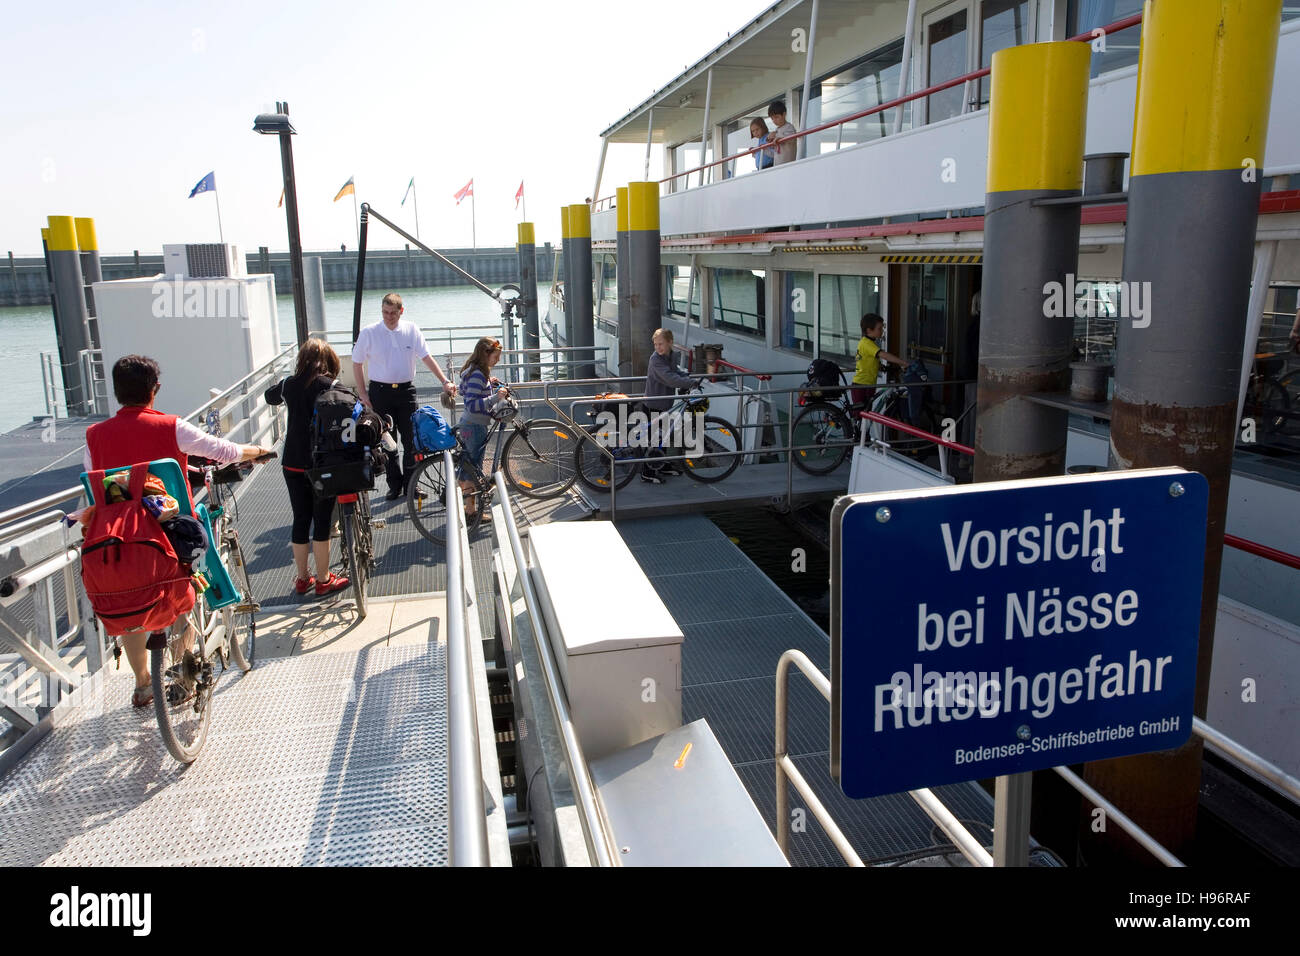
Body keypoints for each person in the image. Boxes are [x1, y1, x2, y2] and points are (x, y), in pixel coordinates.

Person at [84, 355, 272, 709]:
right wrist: (258, 450)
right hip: (171, 534)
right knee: (189, 578)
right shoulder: (170, 426)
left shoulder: (94, 437)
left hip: (122, 540)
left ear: (117, 392)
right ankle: (183, 668)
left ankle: (143, 684)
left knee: (132, 602)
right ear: (154, 391)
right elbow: (222, 451)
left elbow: (99, 481)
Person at [264, 339, 350, 599]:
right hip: (320, 461)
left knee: (300, 518)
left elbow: (270, 397)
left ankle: (303, 579)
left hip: (291, 460)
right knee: (322, 520)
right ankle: (324, 579)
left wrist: (287, 383)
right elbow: (350, 403)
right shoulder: (329, 385)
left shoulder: (289, 385)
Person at [352, 292, 456, 500]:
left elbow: (426, 357)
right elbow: (357, 362)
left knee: (411, 441)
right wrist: (362, 393)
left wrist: (444, 381)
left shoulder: (411, 329)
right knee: (388, 441)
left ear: (401, 311)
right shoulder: (369, 332)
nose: (389, 317)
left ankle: (411, 485)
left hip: (406, 391)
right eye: (385, 312)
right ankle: (394, 484)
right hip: (379, 392)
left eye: (393, 313)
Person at [457, 338, 510, 520]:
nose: (497, 361)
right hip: (475, 425)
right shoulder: (478, 374)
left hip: (469, 424)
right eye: (495, 357)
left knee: (467, 466)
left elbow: (465, 391)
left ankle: (462, 504)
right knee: (473, 467)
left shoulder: (476, 372)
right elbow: (472, 404)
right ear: (485, 354)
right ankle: (470, 511)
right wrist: (495, 397)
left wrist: (489, 384)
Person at [642, 328, 697, 485]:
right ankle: (647, 473)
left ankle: (663, 464)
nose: (658, 347)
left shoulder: (671, 356)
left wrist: (687, 376)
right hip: (654, 404)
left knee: (664, 437)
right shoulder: (655, 360)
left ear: (670, 343)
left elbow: (675, 371)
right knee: (654, 439)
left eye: (661, 344)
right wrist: (690, 382)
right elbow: (669, 378)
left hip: (665, 404)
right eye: (655, 344)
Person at [851, 313, 909, 407]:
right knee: (861, 416)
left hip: (868, 384)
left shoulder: (868, 342)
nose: (882, 331)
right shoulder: (866, 343)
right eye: (879, 328)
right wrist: (904, 363)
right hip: (862, 385)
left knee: (867, 413)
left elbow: (869, 360)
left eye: (882, 328)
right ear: (869, 330)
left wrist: (882, 367)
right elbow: (884, 355)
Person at [768, 100, 798, 166]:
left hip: (788, 164)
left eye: (776, 117)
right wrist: (770, 141)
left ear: (784, 114)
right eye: (772, 118)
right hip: (778, 165)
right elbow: (774, 150)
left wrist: (777, 137)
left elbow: (791, 138)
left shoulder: (789, 127)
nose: (774, 121)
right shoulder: (777, 130)